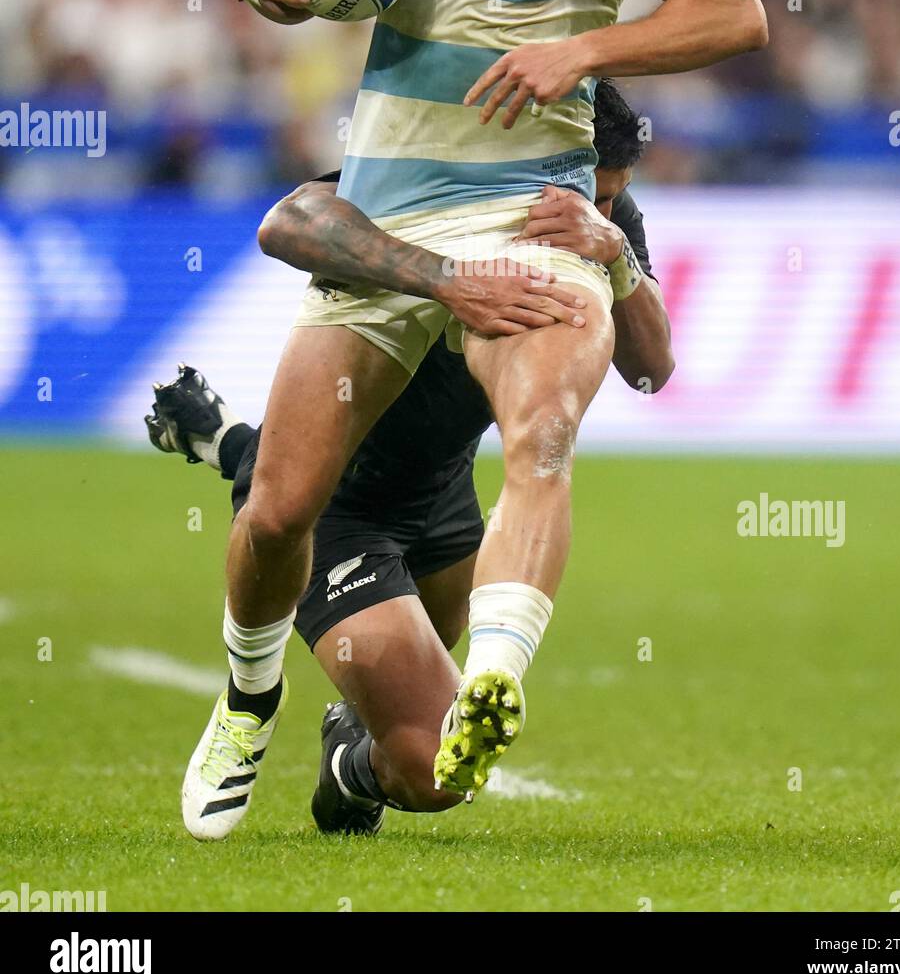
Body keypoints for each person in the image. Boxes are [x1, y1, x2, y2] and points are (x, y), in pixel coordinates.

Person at [187, 0, 766, 839]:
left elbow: (733, 10)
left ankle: (498, 667)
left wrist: (585, 48)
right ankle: (249, 694)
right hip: (388, 230)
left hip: (527, 219)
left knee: (542, 433)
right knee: (278, 512)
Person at [151, 83, 673, 834]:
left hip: (442, 493)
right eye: (590, 190)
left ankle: (346, 757)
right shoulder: (438, 174)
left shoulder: (601, 213)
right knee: (436, 773)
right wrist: (443, 279)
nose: (599, 206)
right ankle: (265, 706)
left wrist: (615, 253)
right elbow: (287, 221)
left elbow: (653, 367)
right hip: (344, 511)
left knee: (428, 681)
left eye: (611, 195)